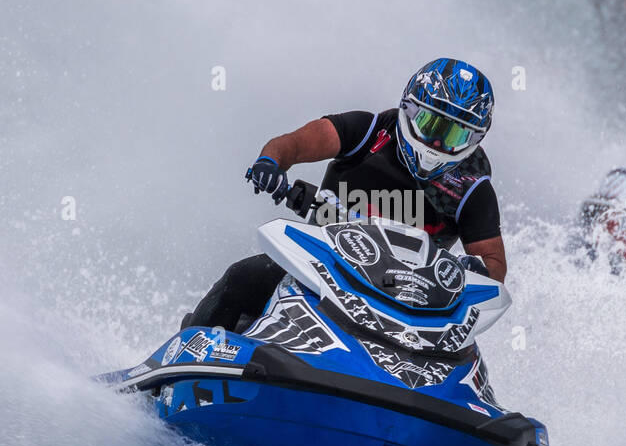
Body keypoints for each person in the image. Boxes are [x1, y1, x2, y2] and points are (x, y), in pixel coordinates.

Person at [184, 58, 506, 333]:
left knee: (460, 342)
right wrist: (270, 162)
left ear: (474, 138)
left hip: (407, 302)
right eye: (431, 124)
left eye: (454, 134)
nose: (437, 143)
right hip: (319, 267)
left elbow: (494, 265)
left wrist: (476, 271)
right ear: (409, 109)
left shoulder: (471, 187)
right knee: (242, 277)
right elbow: (291, 144)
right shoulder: (368, 131)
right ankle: (189, 349)